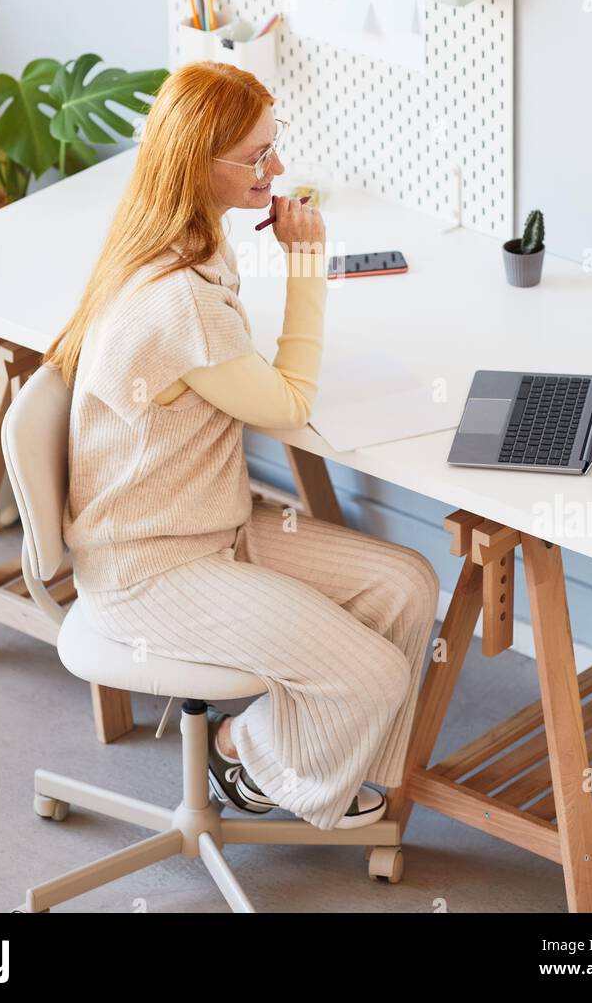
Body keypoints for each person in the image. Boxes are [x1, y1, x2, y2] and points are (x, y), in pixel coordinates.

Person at [44, 60, 440, 831]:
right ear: (201, 165)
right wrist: (305, 264)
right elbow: (290, 405)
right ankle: (248, 750)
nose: (278, 168)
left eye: (274, 144)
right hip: (152, 569)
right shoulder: (181, 300)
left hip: (210, 525)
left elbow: (231, 372)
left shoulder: (182, 239)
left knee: (408, 584)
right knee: (378, 677)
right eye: (257, 157)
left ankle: (318, 773)